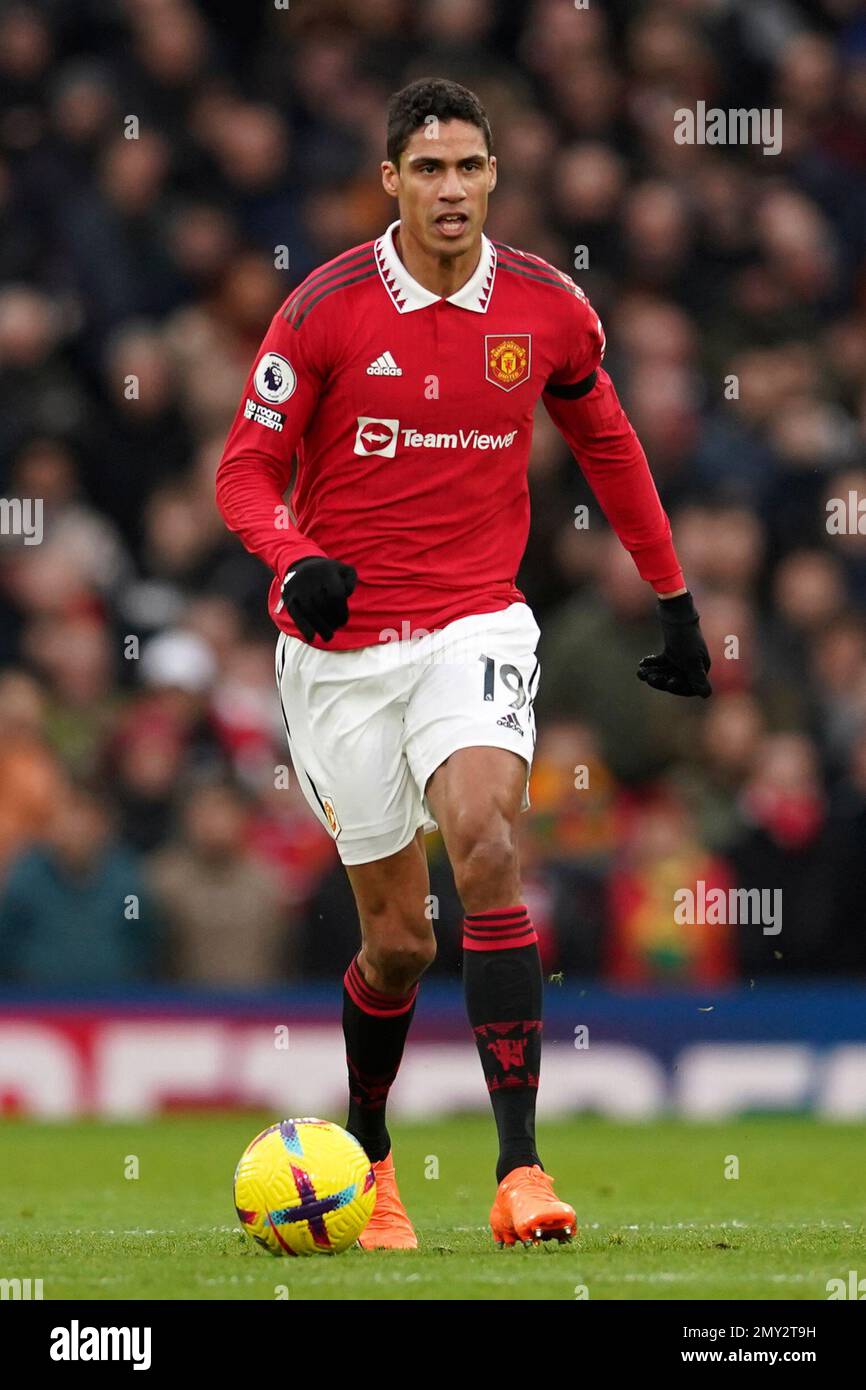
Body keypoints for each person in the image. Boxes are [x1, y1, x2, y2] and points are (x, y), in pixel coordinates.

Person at [216, 77, 711, 1250]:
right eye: (427, 169)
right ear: (388, 180)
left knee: (488, 839)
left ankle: (519, 1173)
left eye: (469, 168)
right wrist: (293, 559)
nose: (450, 189)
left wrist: (674, 596)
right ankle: (371, 1161)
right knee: (397, 940)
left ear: (495, 176)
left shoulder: (545, 308)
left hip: (475, 623)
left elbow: (610, 444)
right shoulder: (323, 307)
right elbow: (243, 470)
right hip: (338, 652)